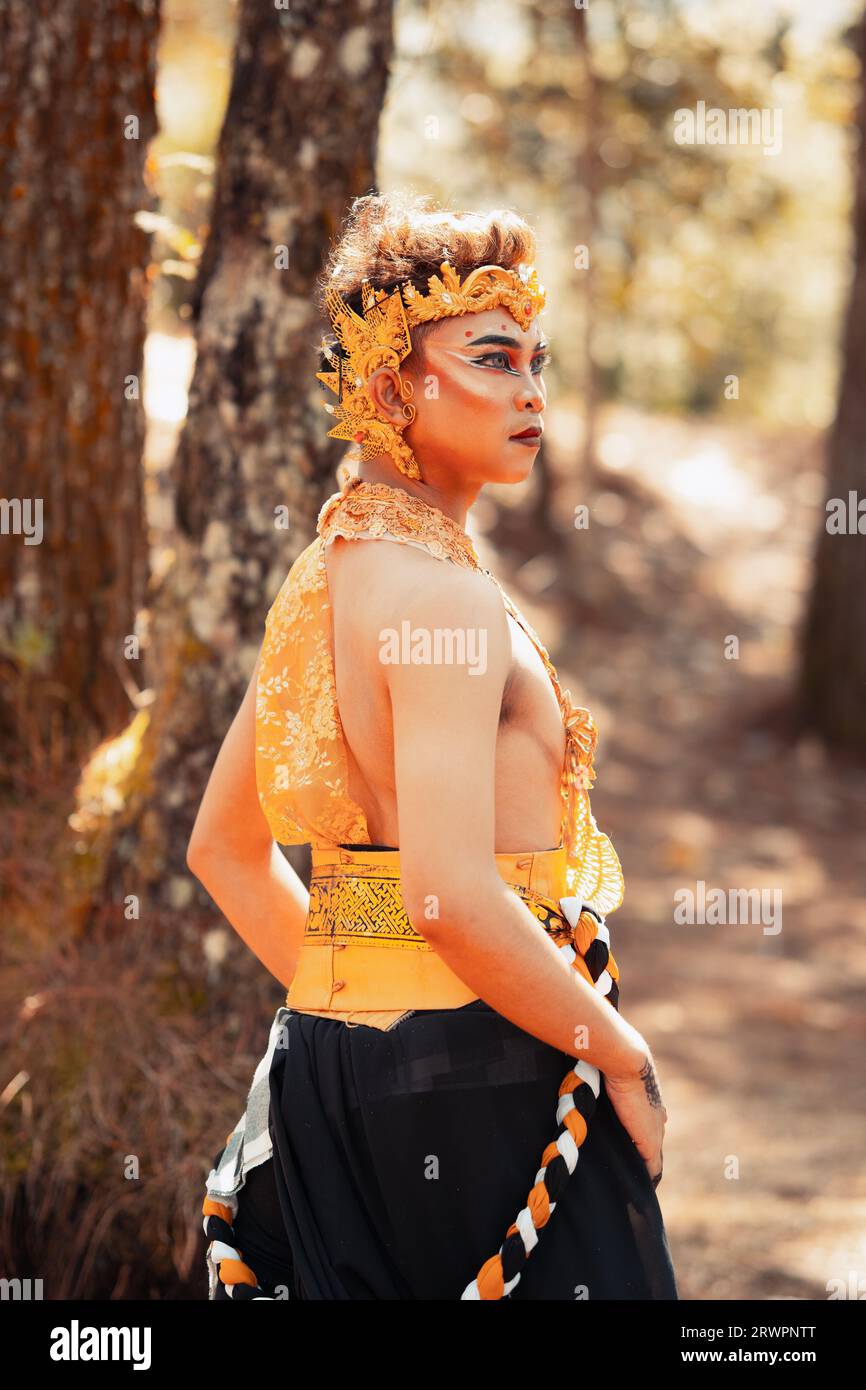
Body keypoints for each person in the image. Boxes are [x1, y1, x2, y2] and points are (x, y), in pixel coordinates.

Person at [188, 192, 678, 1301]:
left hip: (326, 1072)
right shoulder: (443, 602)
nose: (529, 390)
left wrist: (363, 1020)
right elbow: (449, 897)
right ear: (391, 385)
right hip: (491, 1075)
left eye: (535, 359)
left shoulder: (319, 586)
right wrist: (614, 1048)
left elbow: (219, 849)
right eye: (491, 357)